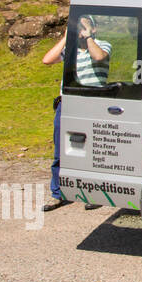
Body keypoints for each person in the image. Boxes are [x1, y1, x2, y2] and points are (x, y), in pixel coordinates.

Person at [41, 16, 110, 211]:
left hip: (92, 104)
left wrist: (88, 37)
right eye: (78, 26)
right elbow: (47, 60)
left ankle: (96, 193)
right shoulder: (69, 49)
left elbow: (99, 57)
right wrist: (66, 36)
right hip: (68, 104)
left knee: (93, 152)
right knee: (60, 151)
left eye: (85, 25)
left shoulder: (102, 44)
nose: (80, 29)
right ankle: (58, 193)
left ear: (94, 28)